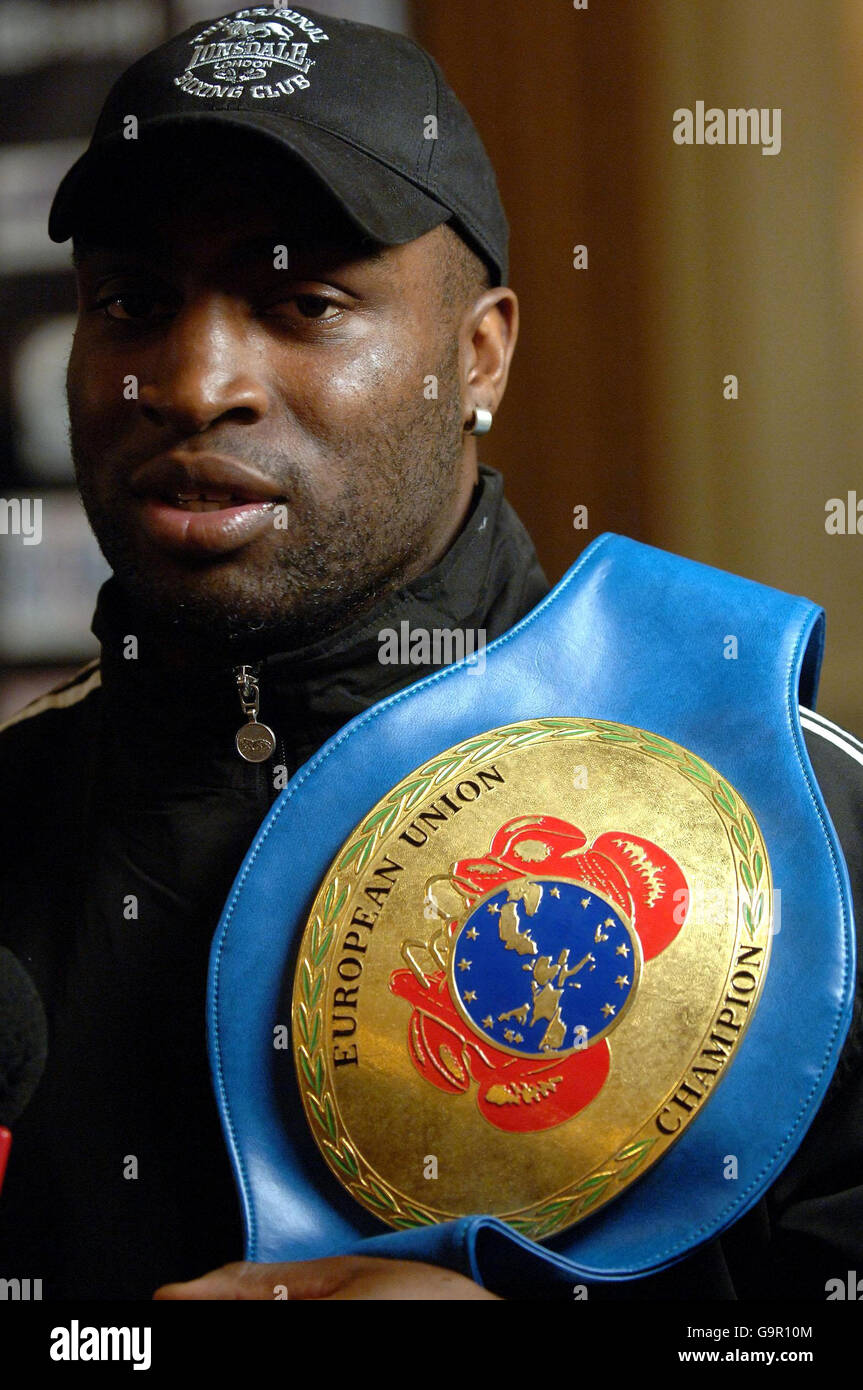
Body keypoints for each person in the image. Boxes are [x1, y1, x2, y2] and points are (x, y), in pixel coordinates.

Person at [0, 6, 860, 1302]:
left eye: (302, 302)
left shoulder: (804, 813)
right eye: (133, 301)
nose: (194, 380)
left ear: (480, 353)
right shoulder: (12, 811)